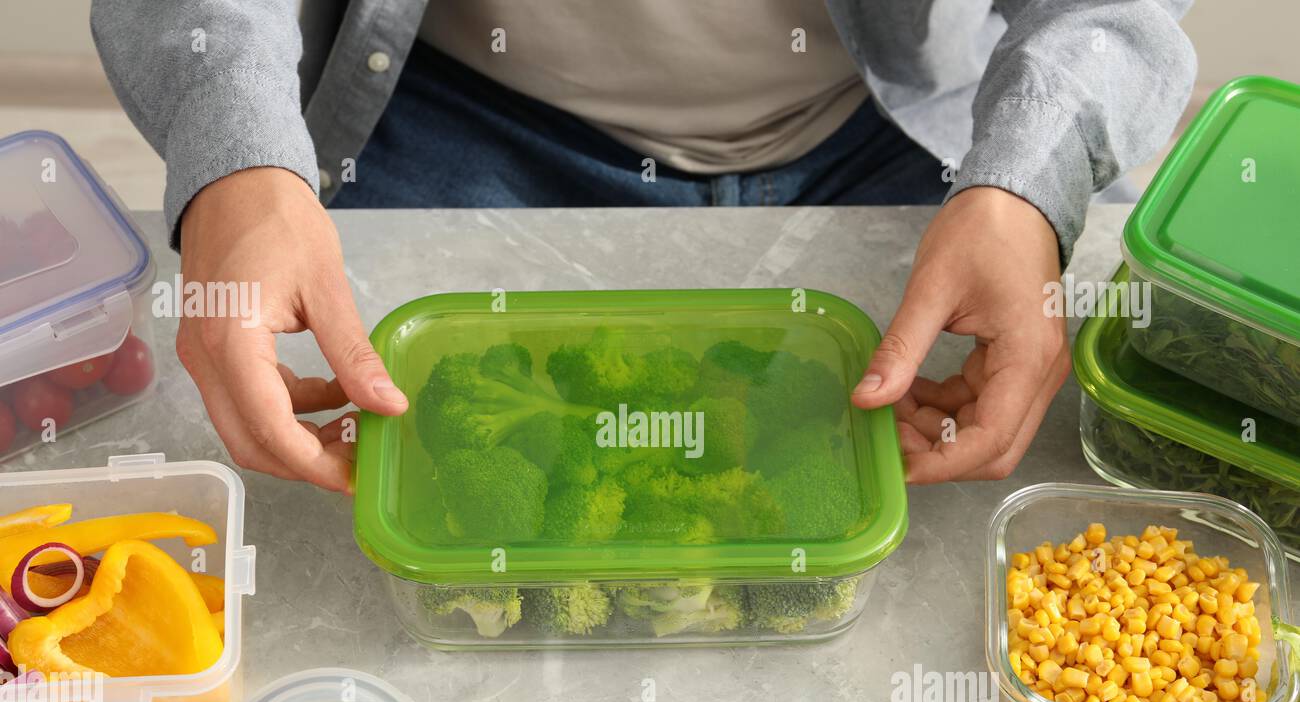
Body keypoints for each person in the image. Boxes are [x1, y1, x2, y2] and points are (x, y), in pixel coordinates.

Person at [91, 0, 1196, 492]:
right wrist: (238, 169)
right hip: (464, 115)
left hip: (904, 127)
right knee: (370, 492)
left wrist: (1024, 184)